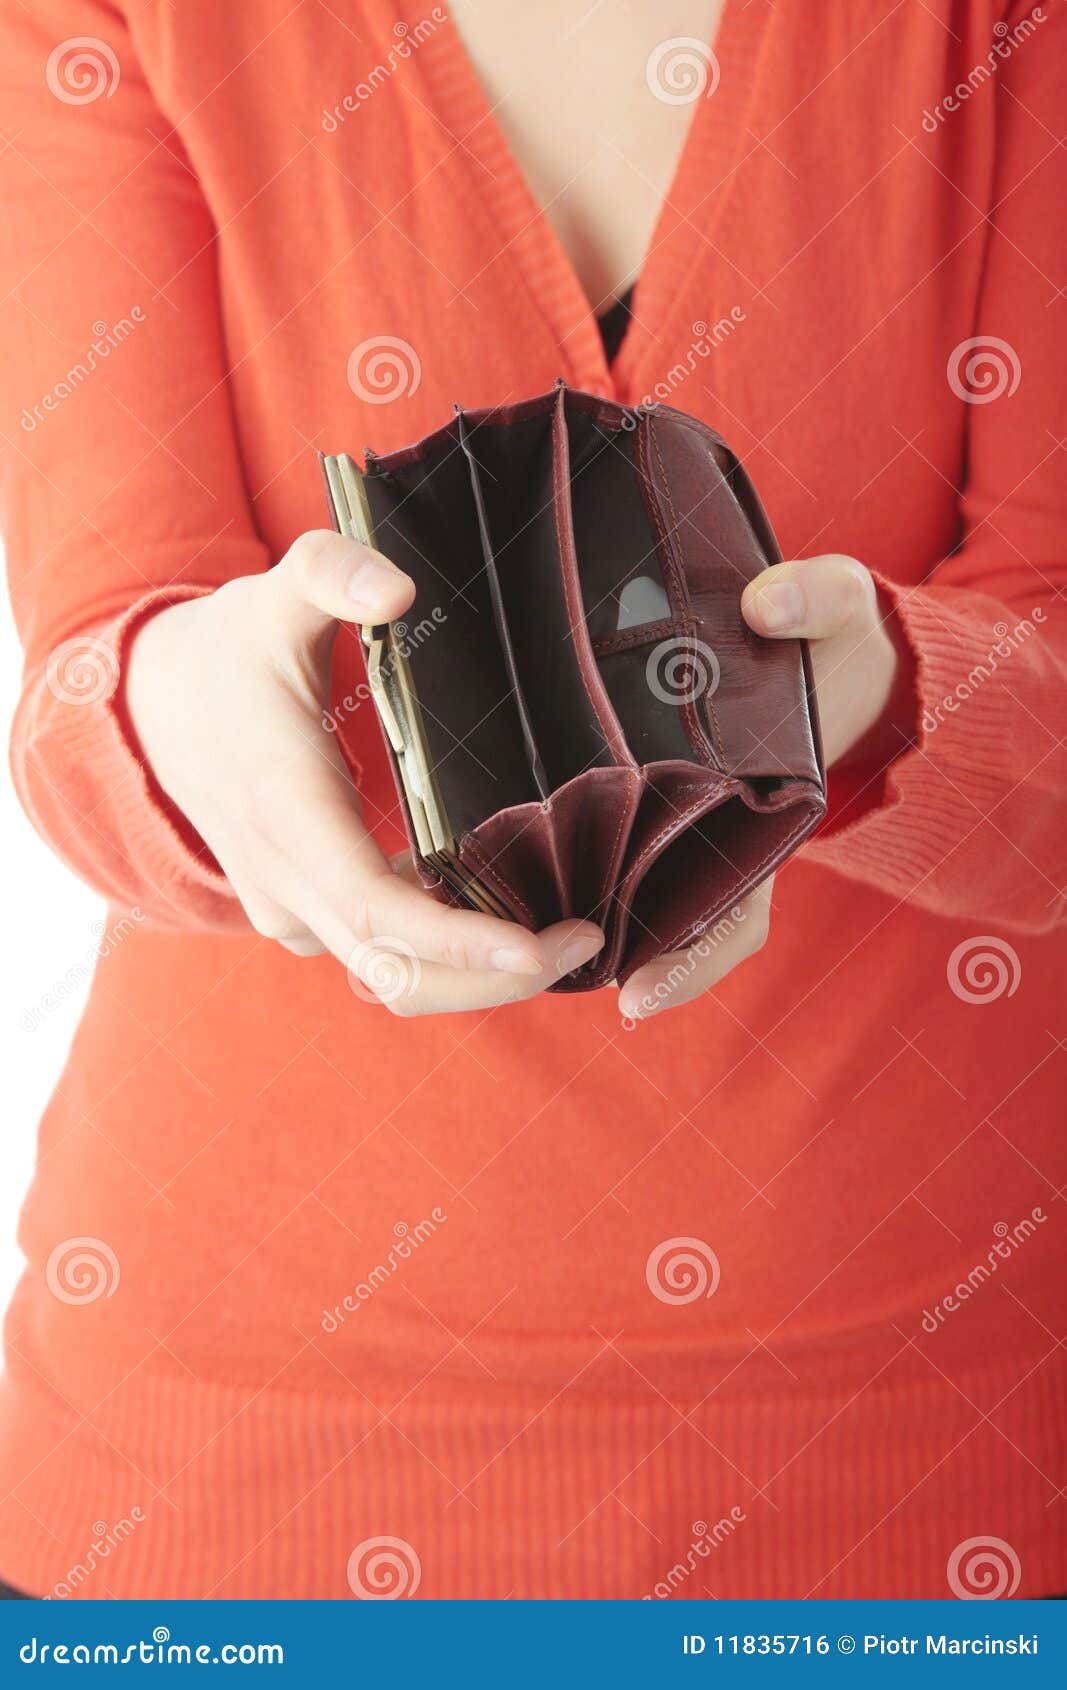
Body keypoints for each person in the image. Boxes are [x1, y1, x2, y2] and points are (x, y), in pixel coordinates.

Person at [0, 0, 1063, 1600]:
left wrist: (879, 698)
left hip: (923, 1461)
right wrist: (176, 712)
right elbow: (88, 668)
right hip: (227, 1477)